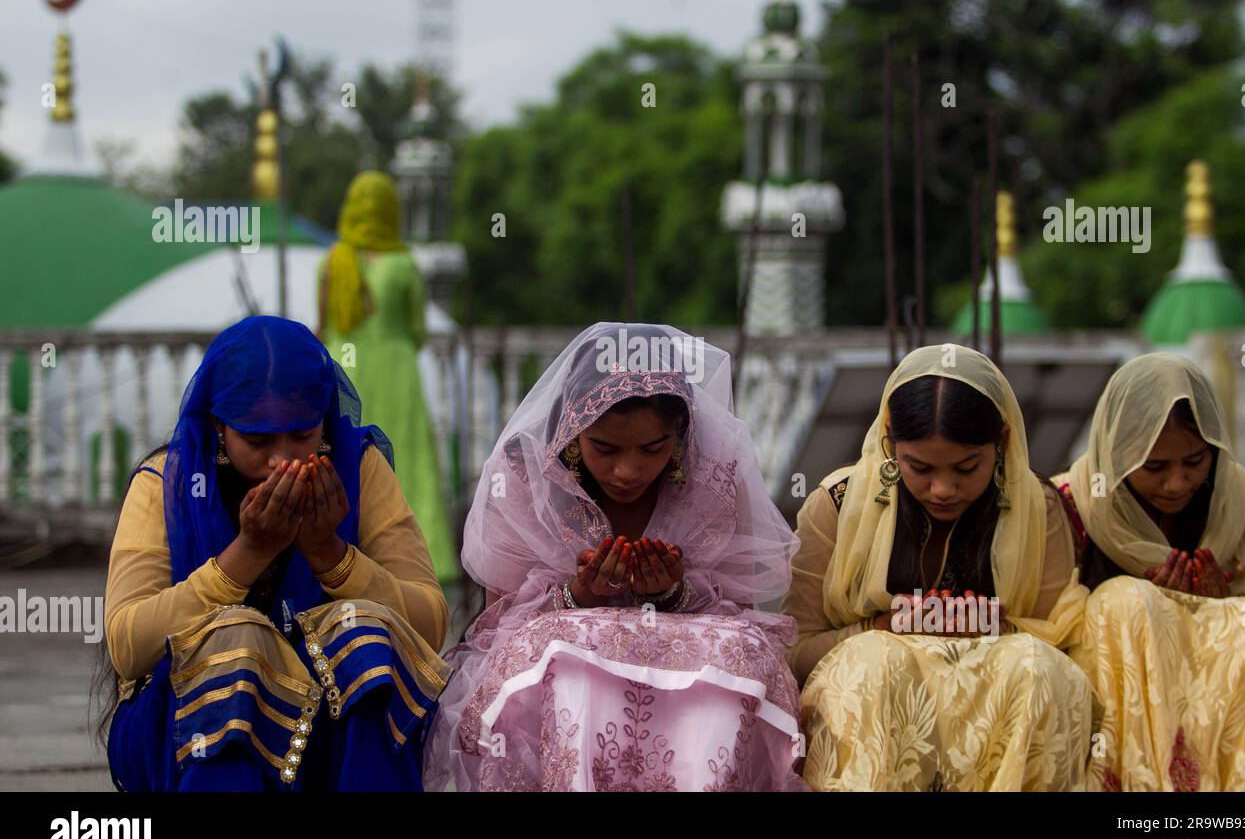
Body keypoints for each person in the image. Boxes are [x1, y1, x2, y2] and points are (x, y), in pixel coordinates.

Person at [425, 322, 806, 791]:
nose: (627, 471)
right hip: (566, 676)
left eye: (653, 449)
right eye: (603, 448)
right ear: (571, 432)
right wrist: (574, 595)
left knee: (746, 657)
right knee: (561, 657)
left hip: (683, 685)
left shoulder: (714, 481)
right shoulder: (527, 475)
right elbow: (496, 625)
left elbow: (740, 614)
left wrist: (672, 593)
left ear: (681, 436)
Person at [104, 316, 450, 791]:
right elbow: (126, 644)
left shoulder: (358, 466)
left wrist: (330, 554)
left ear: (324, 422)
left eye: (302, 436)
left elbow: (429, 624)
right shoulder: (166, 483)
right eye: (258, 441)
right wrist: (247, 554)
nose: (282, 460)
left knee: (362, 630)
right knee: (236, 638)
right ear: (219, 428)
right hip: (185, 733)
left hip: (331, 736)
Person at [785, 344, 1091, 790]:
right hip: (881, 706)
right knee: (873, 661)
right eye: (920, 467)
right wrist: (881, 628)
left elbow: (1060, 641)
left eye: (967, 468)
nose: (943, 489)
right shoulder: (837, 504)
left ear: (1002, 442)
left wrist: (989, 630)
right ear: (890, 439)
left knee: (1037, 666)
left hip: (993, 702)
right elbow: (794, 648)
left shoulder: (1036, 506)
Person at [1054, 352, 1245, 790]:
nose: (1177, 484)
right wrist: (1156, 609)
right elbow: (1046, 617)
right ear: (1117, 453)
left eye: (1194, 462)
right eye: (1154, 467)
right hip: (1113, 696)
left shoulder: (1239, 499)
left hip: (1217, 696)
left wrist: (1216, 605)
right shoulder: (1071, 503)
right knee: (1127, 603)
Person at [320, 170, 458, 584]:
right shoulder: (403, 264)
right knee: (407, 458)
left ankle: (342, 550)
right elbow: (417, 330)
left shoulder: (333, 262)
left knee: (342, 452)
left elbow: (323, 326)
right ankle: (421, 557)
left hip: (344, 371)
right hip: (397, 369)